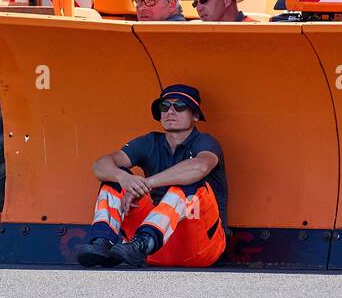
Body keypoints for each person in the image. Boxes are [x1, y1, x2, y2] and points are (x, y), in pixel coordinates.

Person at [77, 84, 228, 268]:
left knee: (191, 183)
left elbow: (199, 167)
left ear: (195, 115)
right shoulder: (150, 141)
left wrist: (146, 183)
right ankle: (103, 243)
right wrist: (124, 178)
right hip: (151, 251)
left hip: (199, 247)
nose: (170, 111)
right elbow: (100, 166)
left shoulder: (205, 141)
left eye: (180, 106)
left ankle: (144, 240)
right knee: (114, 180)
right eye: (164, 106)